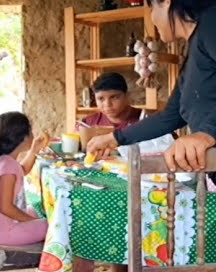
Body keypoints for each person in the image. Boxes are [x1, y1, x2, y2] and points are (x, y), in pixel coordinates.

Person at [86, 0, 216, 172]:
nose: (152, 18)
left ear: (166, 3)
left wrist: (208, 132)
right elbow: (169, 117)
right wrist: (114, 138)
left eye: (151, 8)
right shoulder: (193, 50)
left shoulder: (211, 23)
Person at [0, 112, 51, 248]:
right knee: (57, 226)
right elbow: (6, 208)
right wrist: (32, 221)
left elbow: (23, 170)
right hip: (5, 233)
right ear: (24, 137)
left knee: (36, 209)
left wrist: (34, 150)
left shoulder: (2, 161)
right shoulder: (7, 167)